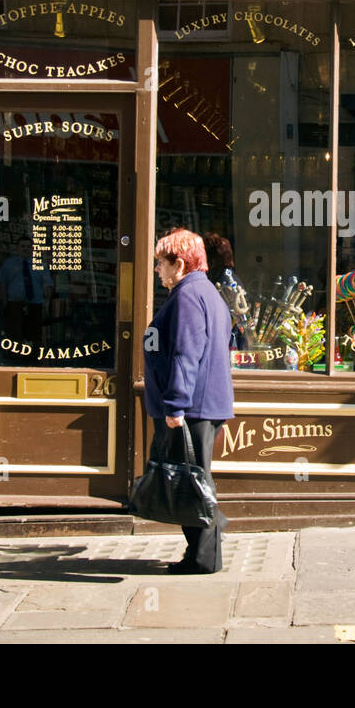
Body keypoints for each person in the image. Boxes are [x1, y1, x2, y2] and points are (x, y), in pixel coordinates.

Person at [144, 228, 235, 574]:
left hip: (193, 407)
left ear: (179, 263)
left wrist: (176, 405)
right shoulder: (207, 293)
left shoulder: (186, 296)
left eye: (160, 263)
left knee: (192, 480)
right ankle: (203, 552)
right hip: (204, 404)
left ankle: (203, 557)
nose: (157, 270)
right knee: (196, 477)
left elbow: (186, 353)